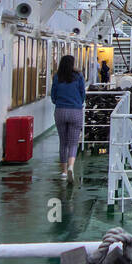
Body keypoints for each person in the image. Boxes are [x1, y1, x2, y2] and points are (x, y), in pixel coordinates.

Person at [52, 54, 87, 182]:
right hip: (75, 111)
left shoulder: (57, 77)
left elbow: (53, 96)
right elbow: (82, 93)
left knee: (63, 142)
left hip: (60, 111)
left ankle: (64, 172)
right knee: (73, 142)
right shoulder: (78, 76)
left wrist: (59, 102)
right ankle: (71, 166)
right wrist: (78, 102)